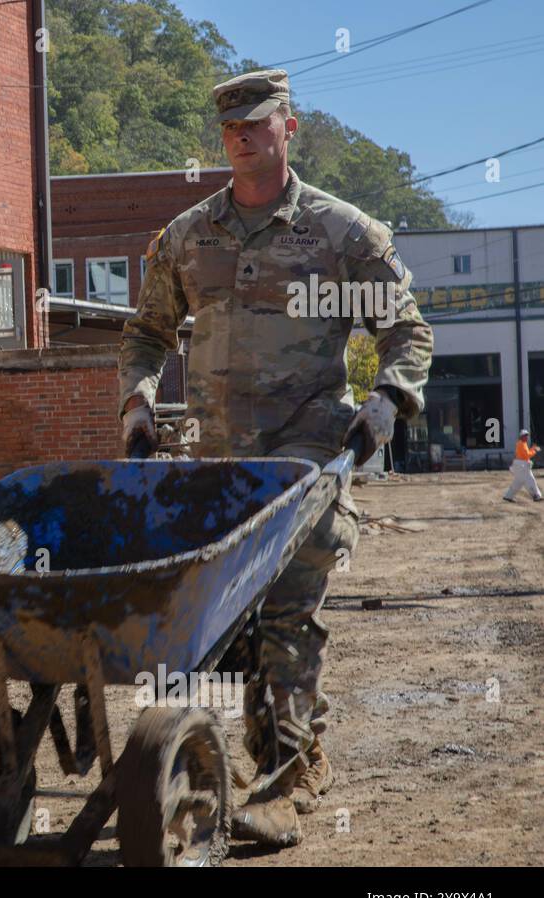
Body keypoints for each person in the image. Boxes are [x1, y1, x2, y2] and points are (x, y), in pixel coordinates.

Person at [119, 69, 433, 848]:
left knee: (287, 614)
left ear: (288, 127)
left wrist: (388, 400)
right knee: (224, 628)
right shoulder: (190, 237)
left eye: (258, 123)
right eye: (231, 127)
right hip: (218, 466)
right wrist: (135, 401)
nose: (243, 136)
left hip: (306, 464)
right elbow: (148, 334)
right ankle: (220, 759)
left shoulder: (340, 234)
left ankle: (287, 782)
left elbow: (406, 331)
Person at [503, 429, 542, 502]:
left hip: (519, 465)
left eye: (527, 435)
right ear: (521, 436)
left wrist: (533, 449)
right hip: (522, 466)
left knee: (517, 483)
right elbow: (527, 455)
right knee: (530, 480)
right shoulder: (522, 444)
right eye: (525, 436)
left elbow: (526, 453)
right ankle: (536, 495)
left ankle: (508, 496)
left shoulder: (521, 443)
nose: (526, 437)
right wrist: (534, 451)